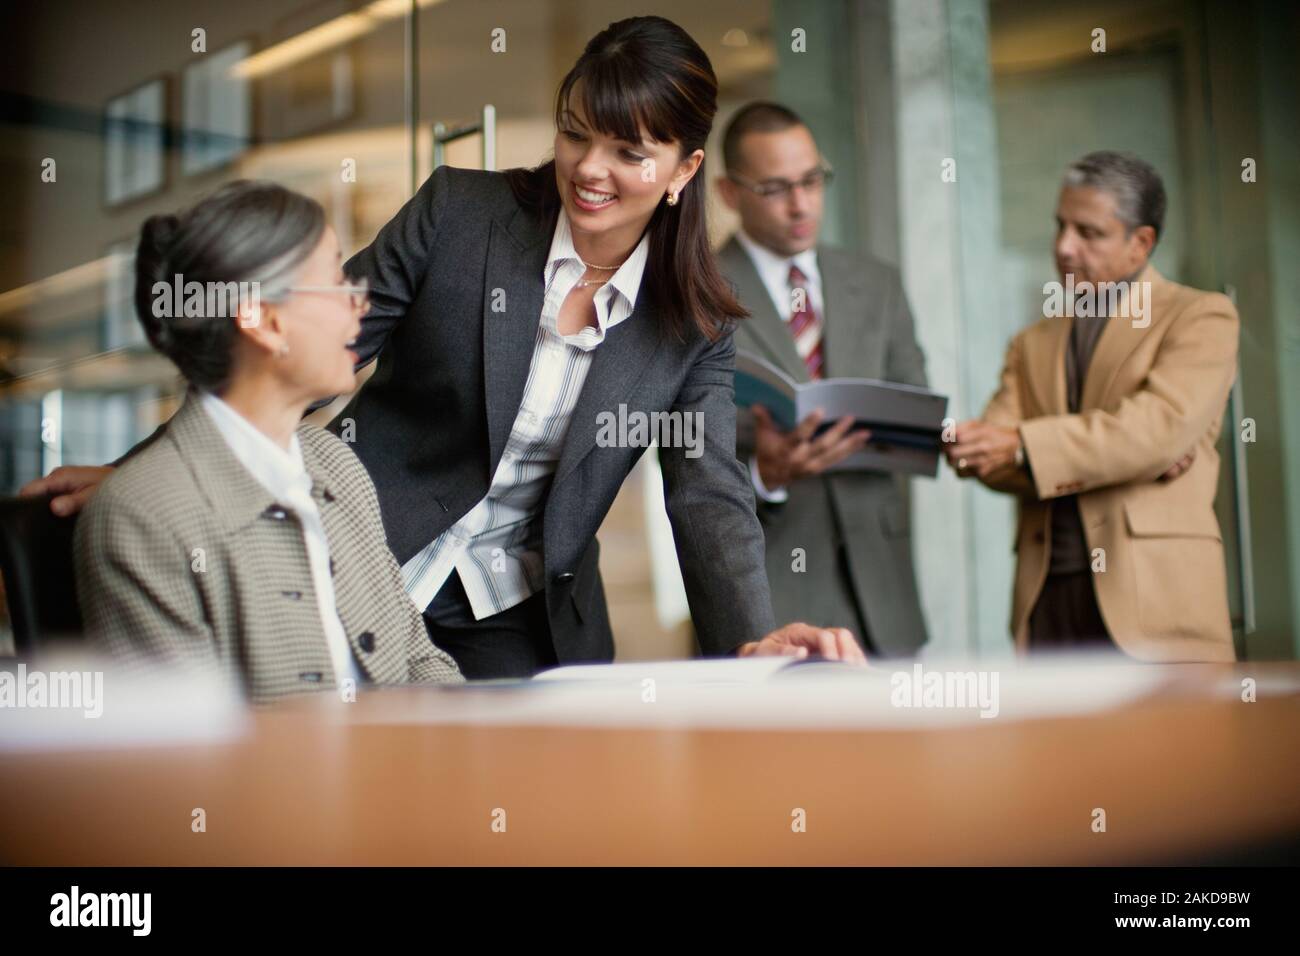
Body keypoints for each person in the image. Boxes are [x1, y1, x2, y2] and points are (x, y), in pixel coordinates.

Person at [29, 16, 865, 678]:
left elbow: (710, 501)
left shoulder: (694, 326)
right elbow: (304, 346)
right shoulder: (461, 216)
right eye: (576, 134)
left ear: (683, 172)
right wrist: (167, 471)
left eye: (629, 153)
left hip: (518, 612)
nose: (589, 171)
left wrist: (750, 651)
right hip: (362, 564)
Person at [72, 181, 463, 701]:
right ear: (262, 320)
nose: (359, 304)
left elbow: (418, 660)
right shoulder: (141, 516)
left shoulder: (336, 464)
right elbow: (185, 763)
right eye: (334, 282)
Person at [945, 151, 1239, 661]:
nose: (1063, 248)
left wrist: (1024, 445)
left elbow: (1156, 430)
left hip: (1155, 599)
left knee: (1175, 745)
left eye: (1089, 232)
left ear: (1140, 242)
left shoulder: (1201, 317)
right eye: (1060, 226)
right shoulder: (1030, 342)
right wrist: (988, 448)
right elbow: (998, 456)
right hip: (1047, 599)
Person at [715, 102, 930, 657]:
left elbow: (917, 401)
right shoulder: (696, 295)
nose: (802, 203)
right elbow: (680, 447)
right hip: (772, 592)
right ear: (728, 193)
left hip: (885, 591)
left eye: (812, 180)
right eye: (776, 188)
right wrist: (765, 472)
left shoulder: (875, 281)